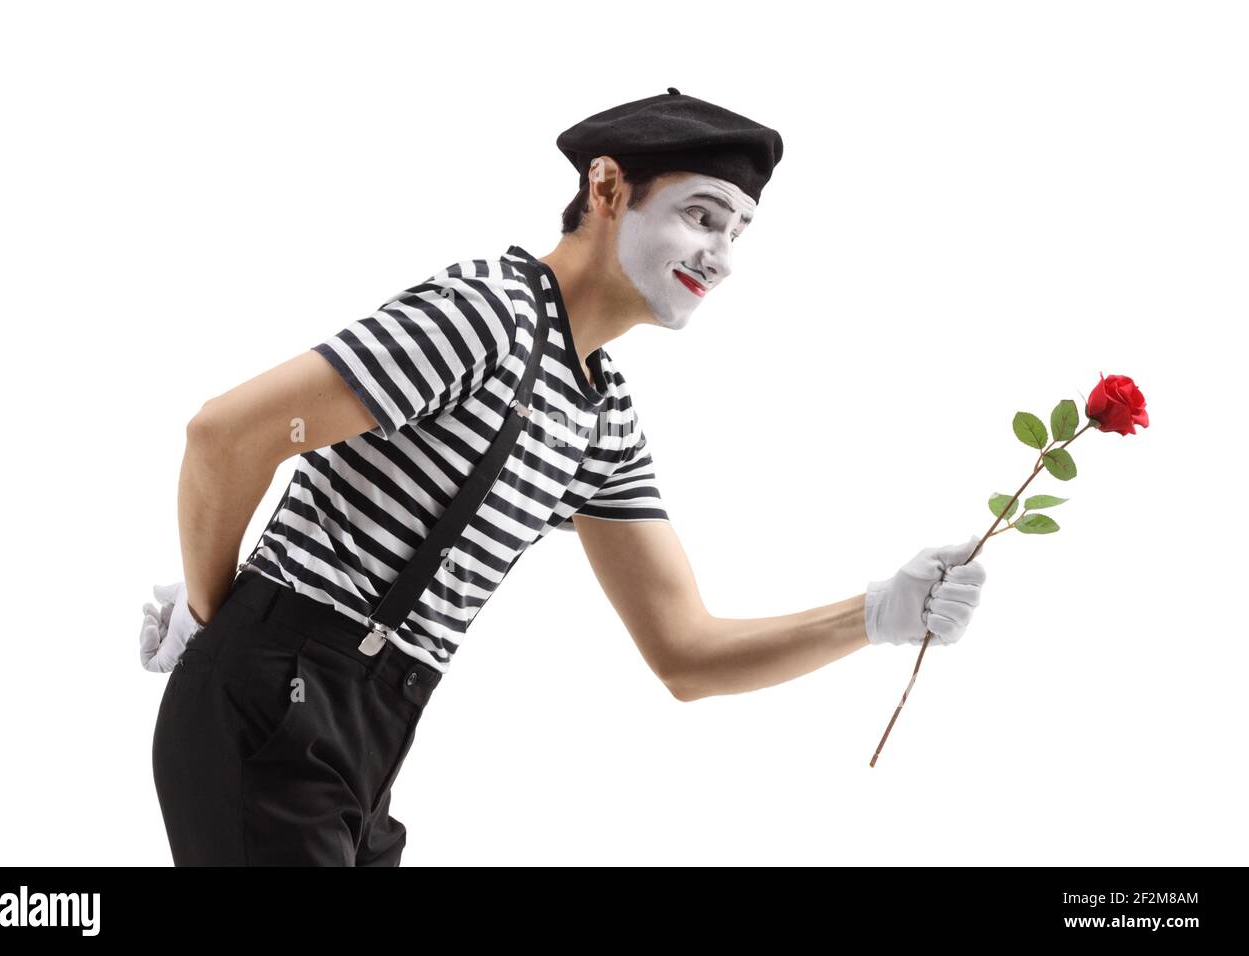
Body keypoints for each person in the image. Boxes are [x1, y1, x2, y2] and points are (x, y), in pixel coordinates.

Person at [143, 88, 988, 866]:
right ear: (609, 186)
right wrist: (213, 620)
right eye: (702, 215)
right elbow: (229, 436)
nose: (721, 255)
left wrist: (876, 614)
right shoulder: (488, 315)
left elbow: (685, 651)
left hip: (368, 732)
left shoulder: (601, 415)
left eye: (737, 233)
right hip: (276, 694)